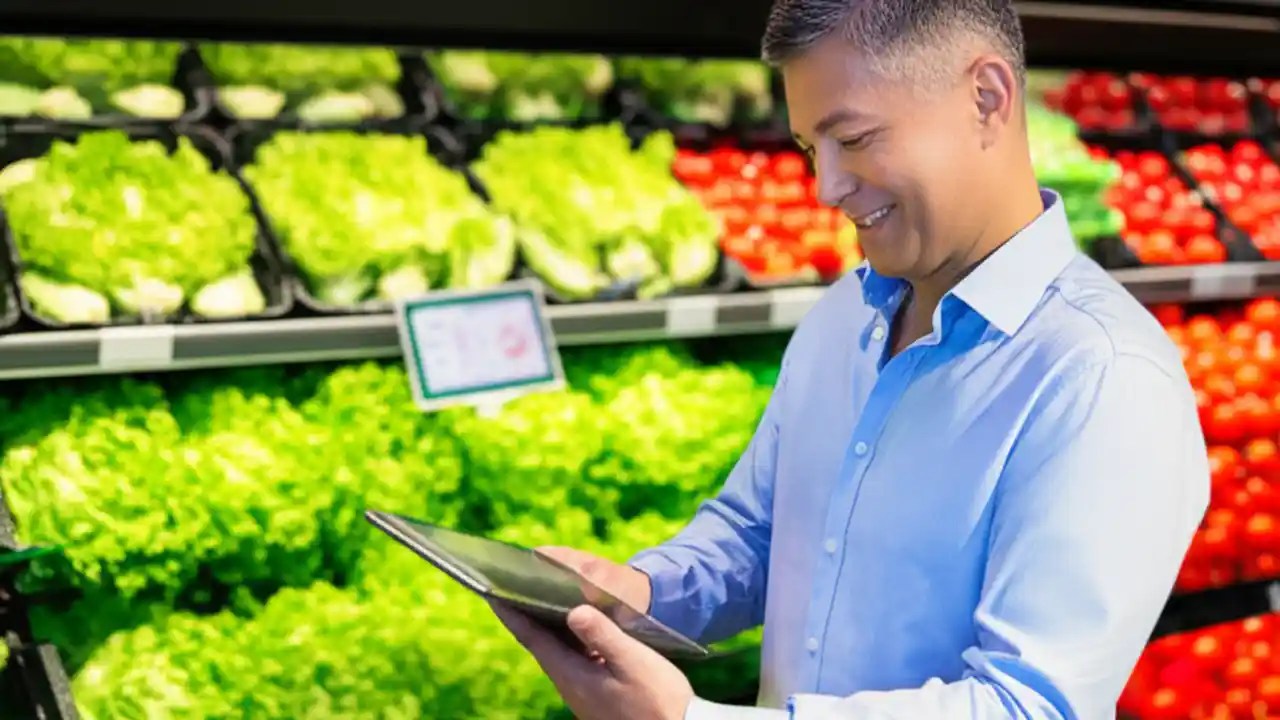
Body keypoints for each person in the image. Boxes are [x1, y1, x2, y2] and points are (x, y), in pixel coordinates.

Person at [491, 0, 1210, 717]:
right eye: (811, 148)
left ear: (985, 99)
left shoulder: (1102, 378)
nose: (826, 187)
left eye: (856, 139)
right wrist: (634, 597)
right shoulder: (844, 317)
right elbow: (759, 534)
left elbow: (1027, 706)